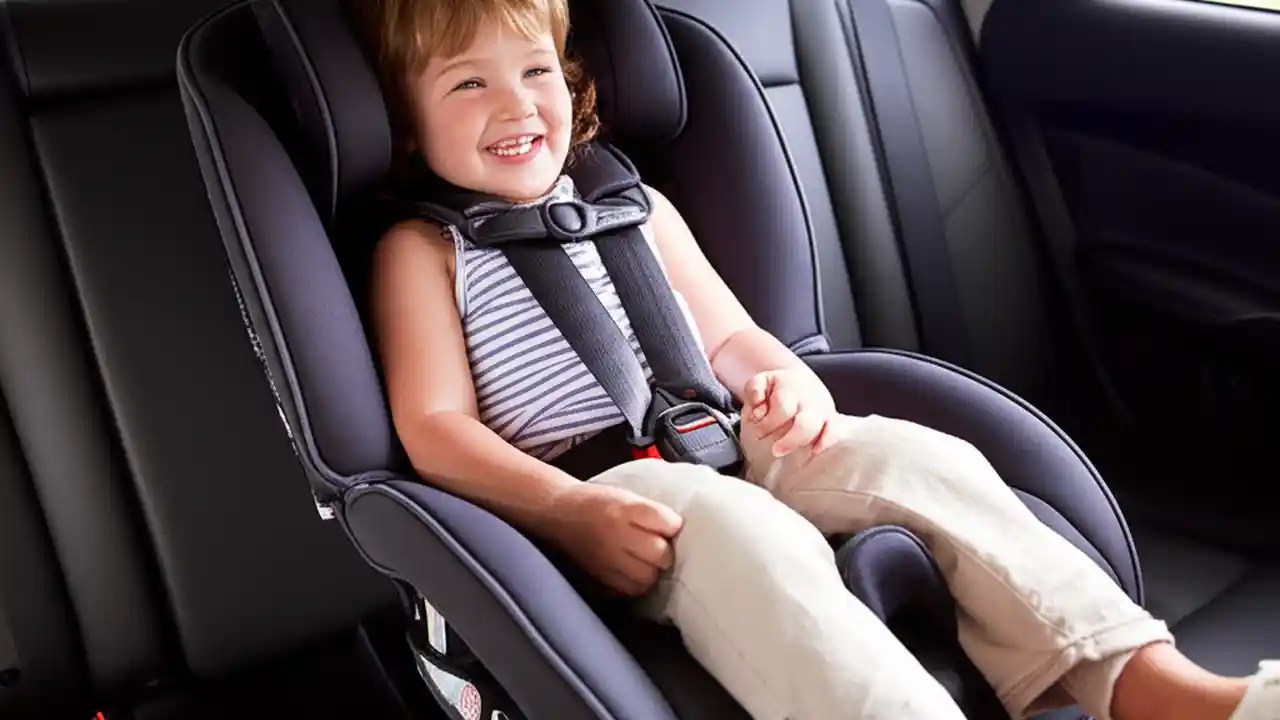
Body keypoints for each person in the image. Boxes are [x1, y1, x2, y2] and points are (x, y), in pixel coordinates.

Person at [345, 0, 1280, 717]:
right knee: (752, 538)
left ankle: (1155, 686)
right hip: (603, 490)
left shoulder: (639, 210)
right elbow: (435, 429)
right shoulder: (427, 253)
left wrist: (781, 382)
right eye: (467, 84)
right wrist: (570, 510)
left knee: (919, 460)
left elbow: (733, 338)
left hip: (729, 436)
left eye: (535, 69)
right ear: (405, 125)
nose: (515, 104)